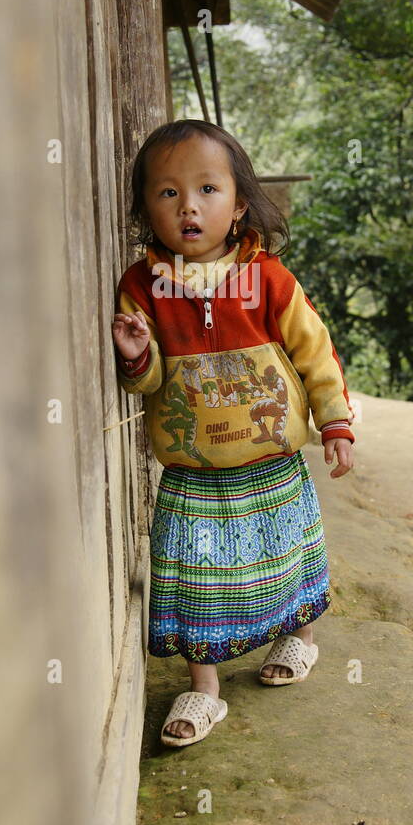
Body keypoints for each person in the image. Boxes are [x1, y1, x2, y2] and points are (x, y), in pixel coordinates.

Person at [111, 119, 355, 747]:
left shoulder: (269, 278)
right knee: (195, 572)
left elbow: (316, 354)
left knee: (285, 558)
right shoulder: (142, 287)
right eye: (167, 193)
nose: (187, 205)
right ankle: (205, 686)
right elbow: (144, 385)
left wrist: (335, 423)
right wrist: (137, 353)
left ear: (239, 203)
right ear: (146, 208)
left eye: (207, 189)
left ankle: (298, 637)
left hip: (269, 456)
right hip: (193, 467)